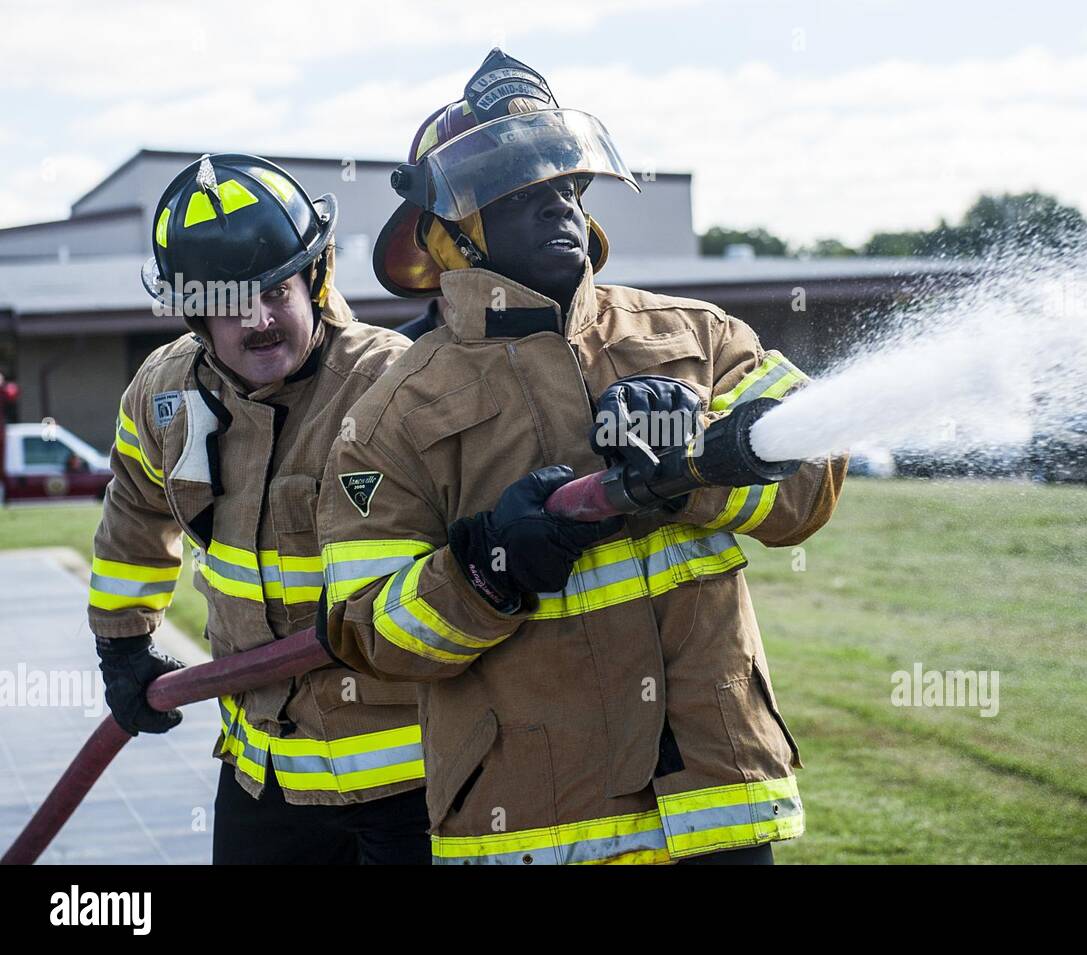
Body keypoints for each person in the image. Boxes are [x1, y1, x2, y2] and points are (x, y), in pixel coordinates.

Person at [318, 50, 847, 865]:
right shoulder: (389, 413)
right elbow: (367, 631)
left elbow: (811, 482)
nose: (559, 204)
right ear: (449, 231)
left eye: (567, 185)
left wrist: (697, 458)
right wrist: (487, 570)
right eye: (521, 191)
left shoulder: (696, 337)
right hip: (533, 825)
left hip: (715, 798)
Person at [90, 154, 428, 864]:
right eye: (228, 300)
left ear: (317, 276)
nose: (258, 319)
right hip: (261, 772)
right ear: (193, 312)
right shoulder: (164, 393)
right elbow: (134, 514)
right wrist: (122, 643)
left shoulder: (393, 384)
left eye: (276, 288)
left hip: (410, 778)